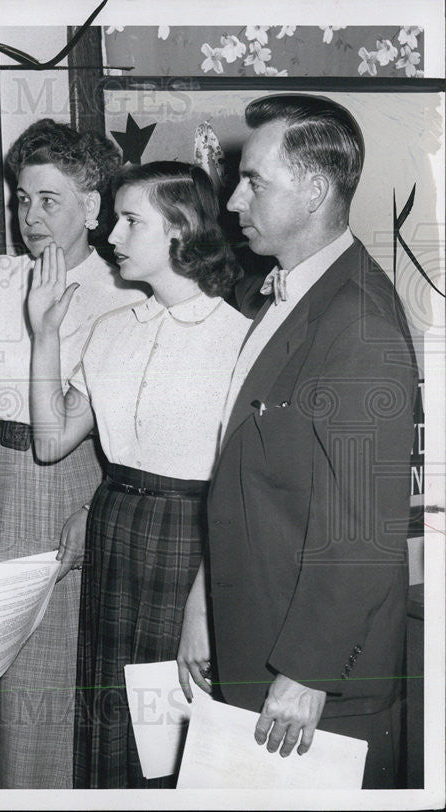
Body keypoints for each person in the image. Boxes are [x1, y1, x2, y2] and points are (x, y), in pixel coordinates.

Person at [0, 119, 145, 788]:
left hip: (73, 483)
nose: (30, 217)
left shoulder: (124, 294)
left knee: (48, 664)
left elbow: (136, 431)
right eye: (22, 200)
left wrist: (96, 509)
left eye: (49, 200)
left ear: (92, 207)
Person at [190, 94, 418, 789]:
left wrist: (307, 671)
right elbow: (248, 475)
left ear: (315, 190)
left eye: (253, 182)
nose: (233, 200)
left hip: (312, 683)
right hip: (257, 633)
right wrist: (204, 602)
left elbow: (363, 527)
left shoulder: (358, 322)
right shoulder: (285, 293)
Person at [27, 162, 248, 787]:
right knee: (113, 725)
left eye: (130, 221)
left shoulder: (240, 340)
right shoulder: (110, 330)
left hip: (195, 535)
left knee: (179, 730)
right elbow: (50, 441)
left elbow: (241, 491)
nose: (112, 236)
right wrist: (44, 335)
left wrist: (205, 605)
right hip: (116, 525)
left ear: (180, 228)